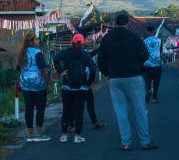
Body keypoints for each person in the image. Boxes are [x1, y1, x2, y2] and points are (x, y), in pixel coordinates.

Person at [97, 11, 158, 151]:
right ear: (127, 23)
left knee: (121, 111)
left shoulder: (107, 38)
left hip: (115, 78)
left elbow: (101, 61)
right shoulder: (134, 37)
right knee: (140, 110)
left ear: (115, 23)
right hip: (133, 76)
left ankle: (126, 142)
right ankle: (145, 141)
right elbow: (144, 55)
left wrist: (109, 73)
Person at [54, 33, 96, 143]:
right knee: (79, 111)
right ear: (82, 44)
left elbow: (56, 59)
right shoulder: (85, 55)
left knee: (66, 110)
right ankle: (77, 136)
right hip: (81, 87)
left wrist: (60, 71)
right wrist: (90, 82)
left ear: (72, 42)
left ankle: (63, 135)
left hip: (67, 86)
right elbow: (93, 68)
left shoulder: (66, 52)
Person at [17, 31, 52, 142]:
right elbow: (43, 69)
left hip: (25, 84)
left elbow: (18, 68)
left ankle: (30, 135)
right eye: (36, 39)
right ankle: (39, 134)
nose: (39, 41)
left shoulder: (22, 53)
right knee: (40, 108)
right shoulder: (37, 52)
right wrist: (48, 83)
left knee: (29, 108)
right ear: (31, 42)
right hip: (37, 83)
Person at [142, 24, 163, 103]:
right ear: (154, 31)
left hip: (147, 64)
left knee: (147, 80)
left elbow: (143, 53)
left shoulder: (144, 41)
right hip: (157, 64)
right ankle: (154, 98)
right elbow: (160, 51)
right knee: (156, 82)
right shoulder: (159, 40)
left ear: (147, 31)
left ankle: (149, 90)